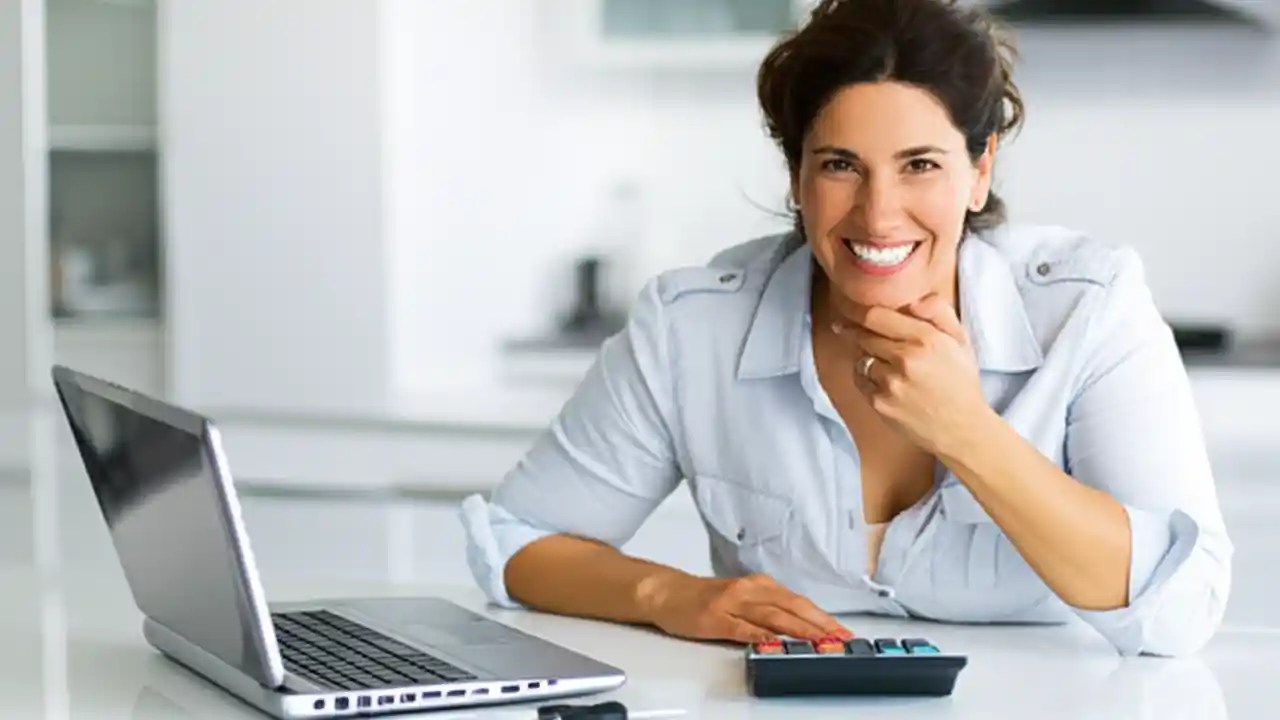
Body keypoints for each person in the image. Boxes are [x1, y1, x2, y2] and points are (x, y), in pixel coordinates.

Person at [460, 0, 1230, 657]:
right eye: (839, 165)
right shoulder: (692, 328)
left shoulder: (1089, 311)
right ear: (796, 176)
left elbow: (1182, 606)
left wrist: (966, 431)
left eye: (920, 165)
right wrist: (669, 594)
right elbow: (520, 539)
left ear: (980, 169)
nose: (878, 212)